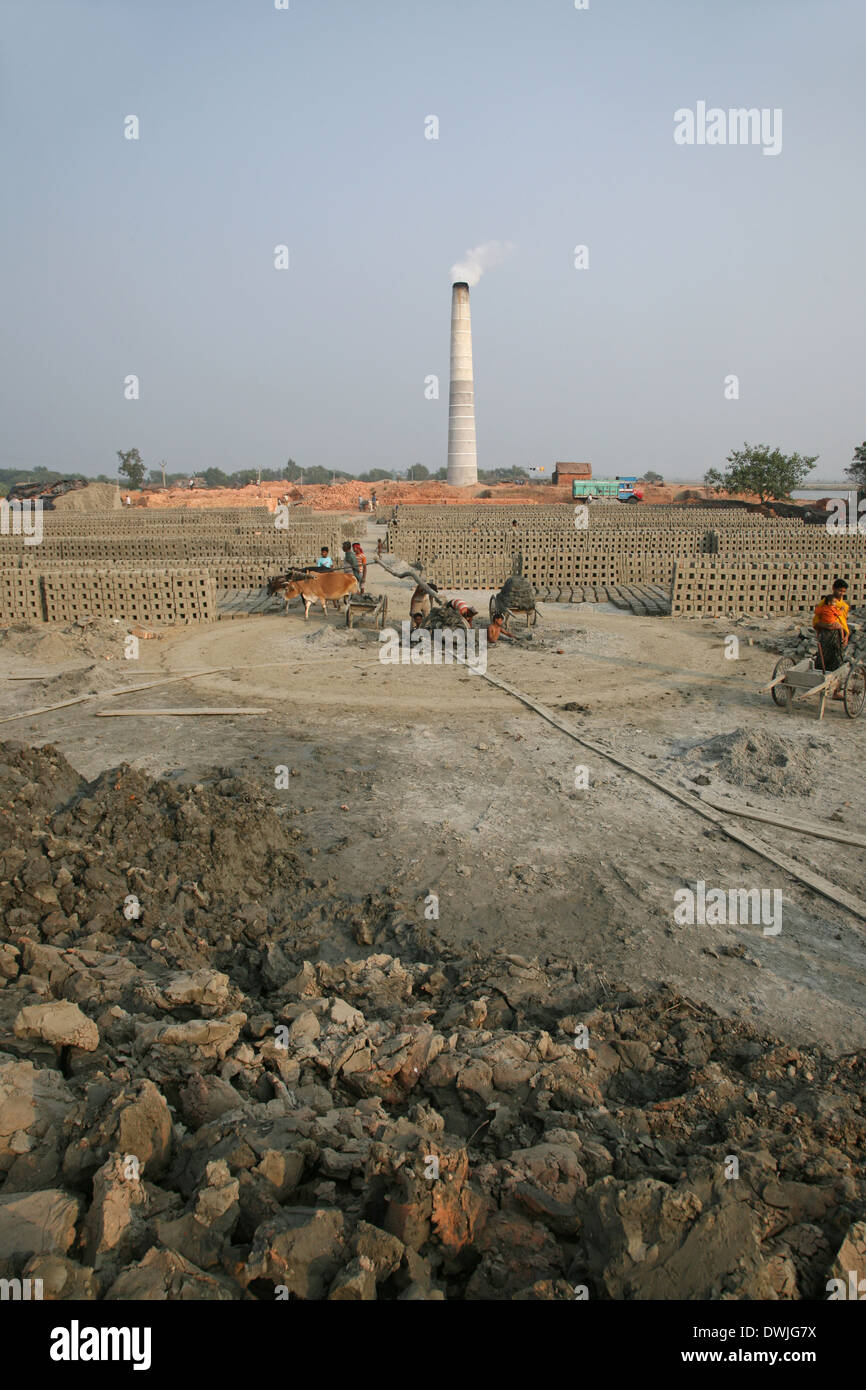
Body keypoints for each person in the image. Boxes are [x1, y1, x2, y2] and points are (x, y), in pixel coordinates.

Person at [813, 592, 848, 675]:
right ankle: (843, 637)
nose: (835, 604)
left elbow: (817, 612)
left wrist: (817, 607)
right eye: (834, 602)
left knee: (824, 651)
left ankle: (822, 666)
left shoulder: (823, 608)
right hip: (832, 627)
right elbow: (839, 613)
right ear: (829, 603)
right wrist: (841, 609)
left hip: (823, 626)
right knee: (840, 628)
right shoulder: (833, 608)